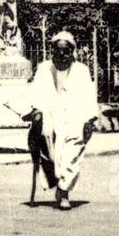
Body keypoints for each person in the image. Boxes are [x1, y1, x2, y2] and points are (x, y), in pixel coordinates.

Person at [23, 31, 100, 210]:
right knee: (51, 155)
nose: (62, 54)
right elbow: (36, 92)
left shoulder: (81, 71)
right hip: (50, 117)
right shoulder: (44, 68)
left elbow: (89, 95)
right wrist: (36, 110)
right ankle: (58, 182)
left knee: (73, 155)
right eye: (58, 50)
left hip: (74, 118)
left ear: (72, 51)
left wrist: (89, 120)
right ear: (52, 50)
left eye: (66, 51)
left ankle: (64, 191)